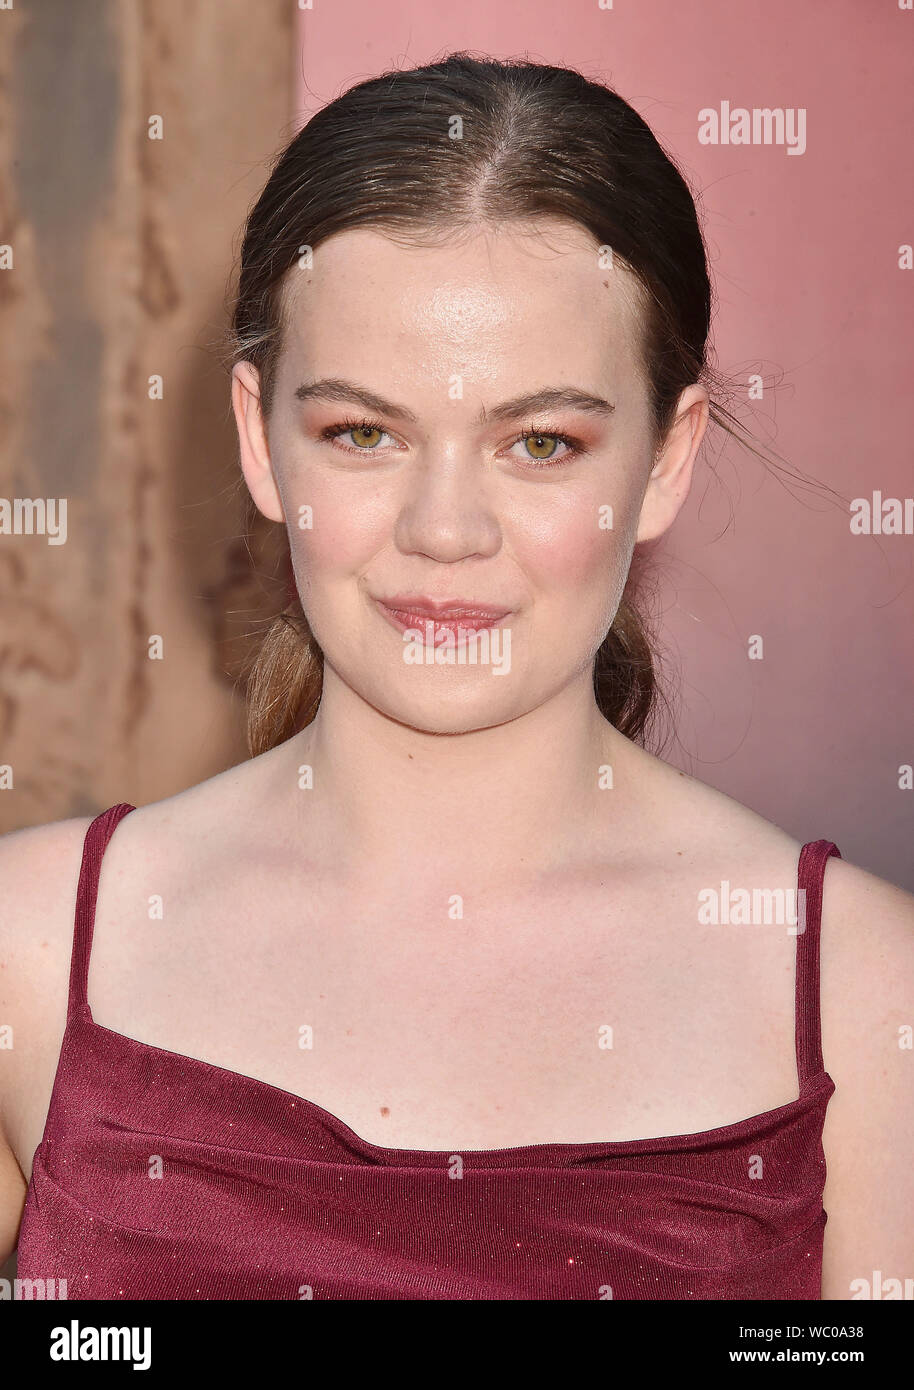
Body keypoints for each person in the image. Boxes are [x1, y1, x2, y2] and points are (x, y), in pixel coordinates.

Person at [2, 53, 911, 1301]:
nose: (443, 529)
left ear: (664, 459)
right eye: (360, 433)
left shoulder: (870, 994)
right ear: (259, 442)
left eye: (539, 442)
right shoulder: (28, 947)